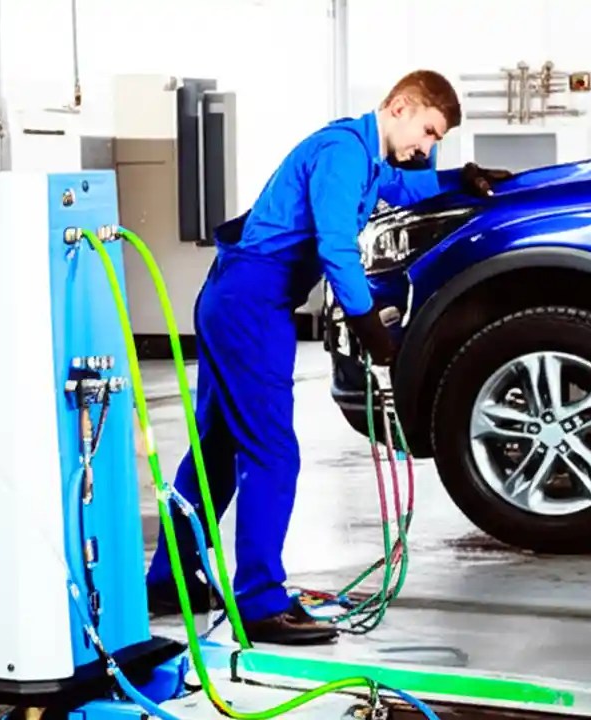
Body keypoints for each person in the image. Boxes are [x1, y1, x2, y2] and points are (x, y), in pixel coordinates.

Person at [145, 69, 513, 645]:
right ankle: (261, 603)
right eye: (428, 131)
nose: (428, 146)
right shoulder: (344, 153)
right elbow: (335, 247)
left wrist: (461, 181)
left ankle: (169, 580)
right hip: (252, 303)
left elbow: (405, 190)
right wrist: (372, 329)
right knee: (272, 453)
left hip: (230, 295)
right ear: (400, 107)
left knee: (217, 444)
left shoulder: (363, 156)